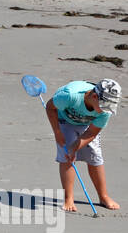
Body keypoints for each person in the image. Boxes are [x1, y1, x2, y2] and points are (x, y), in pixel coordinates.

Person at [46, 78, 122, 212]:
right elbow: (50, 107)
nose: (105, 110)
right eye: (104, 106)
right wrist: (57, 132)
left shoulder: (105, 112)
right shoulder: (70, 96)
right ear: (94, 96)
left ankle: (103, 196)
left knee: (95, 156)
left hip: (87, 124)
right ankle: (68, 198)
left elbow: (92, 132)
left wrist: (76, 146)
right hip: (64, 119)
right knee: (67, 156)